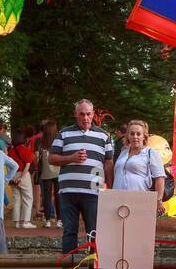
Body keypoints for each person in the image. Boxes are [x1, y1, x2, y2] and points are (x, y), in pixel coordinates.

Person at [49, 99, 114, 259]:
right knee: (69, 231)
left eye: (88, 114)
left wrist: (110, 189)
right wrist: (71, 158)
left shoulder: (104, 136)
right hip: (68, 191)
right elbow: (51, 159)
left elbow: (109, 163)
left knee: (94, 232)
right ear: (75, 115)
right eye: (81, 114)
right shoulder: (64, 133)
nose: (85, 118)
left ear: (93, 115)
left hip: (94, 191)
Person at [112, 120, 168, 269]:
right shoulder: (123, 152)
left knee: (142, 239)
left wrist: (158, 200)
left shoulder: (151, 153)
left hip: (141, 201)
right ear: (127, 135)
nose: (135, 136)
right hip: (121, 201)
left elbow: (159, 178)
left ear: (145, 136)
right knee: (129, 239)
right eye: (132, 133)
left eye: (138, 133)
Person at [7, 129, 36, 229]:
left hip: (13, 175)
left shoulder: (10, 151)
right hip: (23, 175)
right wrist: (21, 178)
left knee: (16, 198)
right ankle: (26, 221)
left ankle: (17, 222)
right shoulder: (27, 150)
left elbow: (9, 166)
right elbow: (27, 166)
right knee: (28, 198)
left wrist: (12, 177)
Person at [39, 121, 60, 228]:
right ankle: (59, 220)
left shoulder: (42, 141)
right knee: (58, 195)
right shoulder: (59, 140)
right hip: (59, 169)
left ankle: (47, 220)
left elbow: (39, 157)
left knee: (47, 196)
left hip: (46, 170)